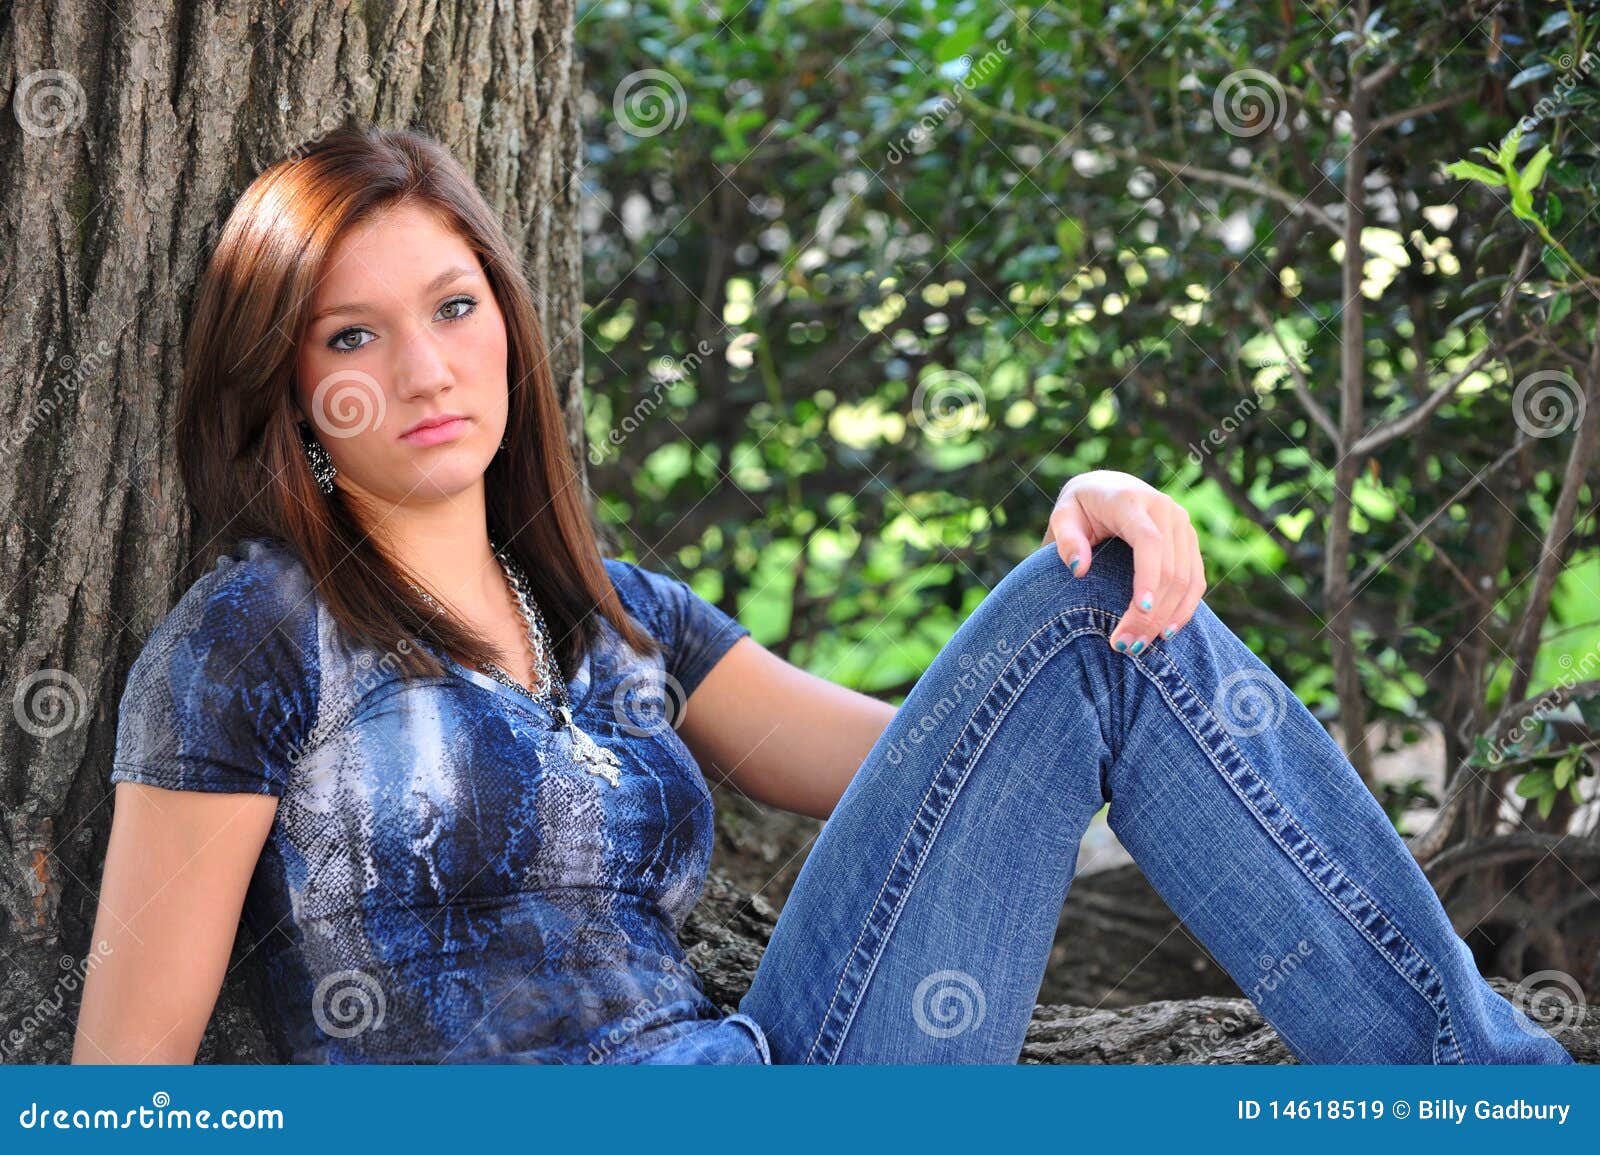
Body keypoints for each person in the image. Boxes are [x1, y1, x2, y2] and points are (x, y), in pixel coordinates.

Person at [72, 126, 1575, 1066]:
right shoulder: (251, 642)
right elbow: (127, 1086)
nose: (423, 369)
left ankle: (1489, 1098)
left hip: (780, 1082)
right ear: (286, 385)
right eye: (353, 336)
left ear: (511, 330)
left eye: (455, 308)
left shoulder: (615, 614)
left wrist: (1103, 523)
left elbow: (939, 765)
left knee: (1097, 609)